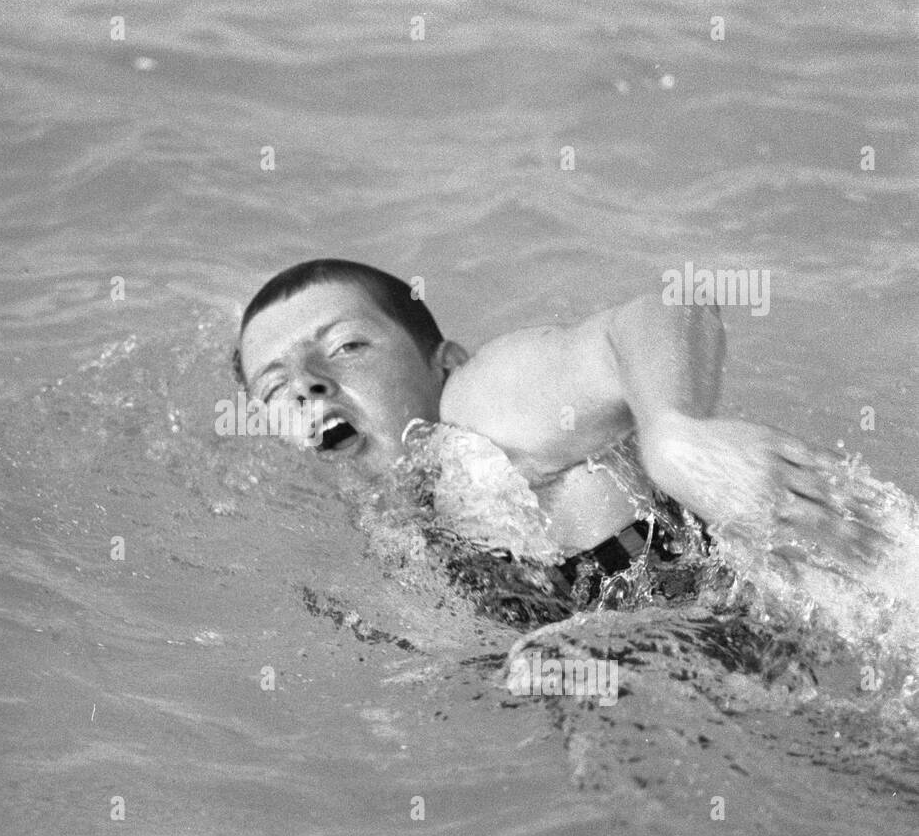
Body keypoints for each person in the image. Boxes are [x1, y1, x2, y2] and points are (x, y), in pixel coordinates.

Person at [232, 259, 884, 606]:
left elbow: (660, 310)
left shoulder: (473, 411)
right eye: (272, 385)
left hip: (801, 614)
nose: (307, 383)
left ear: (445, 363)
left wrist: (675, 436)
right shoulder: (380, 515)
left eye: (346, 346)